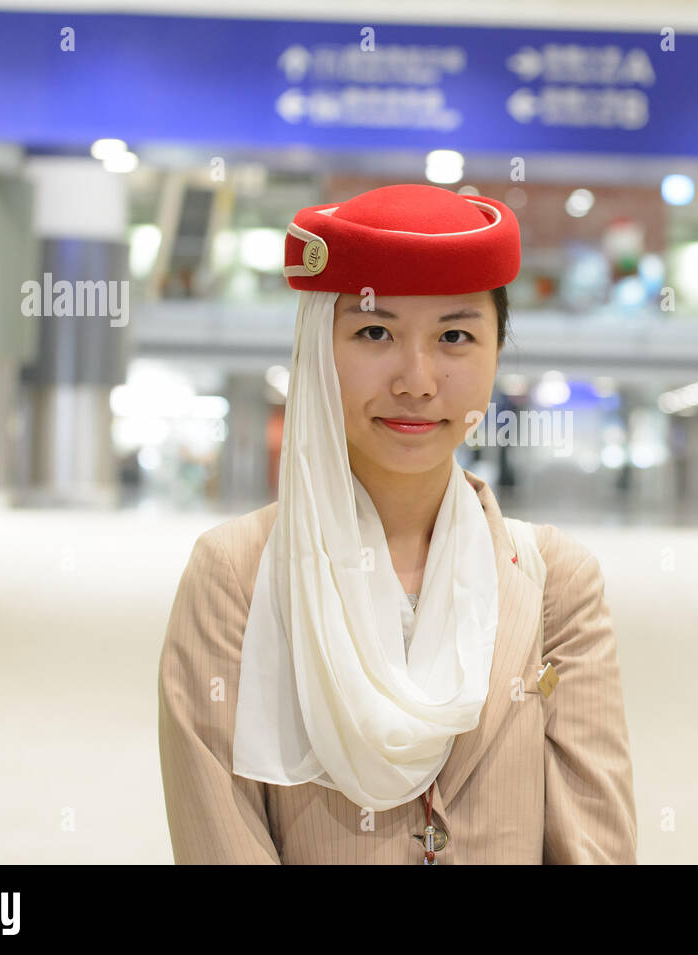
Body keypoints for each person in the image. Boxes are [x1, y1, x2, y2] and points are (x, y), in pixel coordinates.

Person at [157, 184, 637, 863]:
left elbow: (595, 843)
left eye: (455, 336)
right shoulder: (237, 572)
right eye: (375, 332)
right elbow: (219, 839)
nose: (416, 379)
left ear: (497, 353)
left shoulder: (555, 583)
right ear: (317, 349)